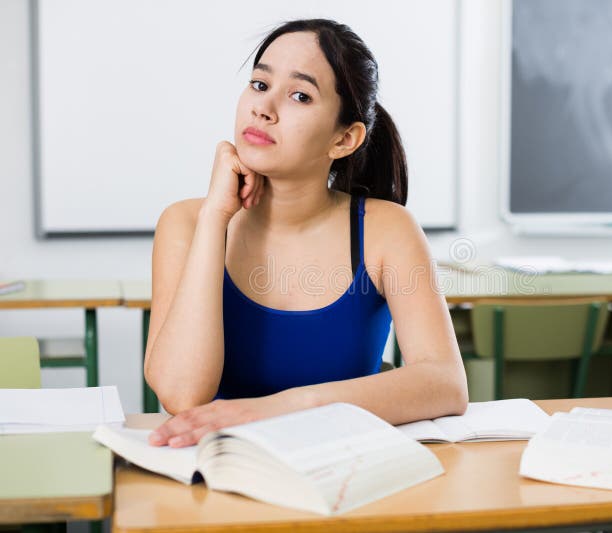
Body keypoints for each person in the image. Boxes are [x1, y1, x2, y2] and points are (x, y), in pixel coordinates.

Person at [144, 19, 468, 447]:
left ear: (344, 139)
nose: (264, 108)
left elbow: (446, 383)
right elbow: (181, 396)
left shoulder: (386, 230)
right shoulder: (186, 223)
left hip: (344, 466)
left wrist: (282, 407)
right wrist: (215, 217)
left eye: (300, 95)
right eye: (260, 84)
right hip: (218, 468)